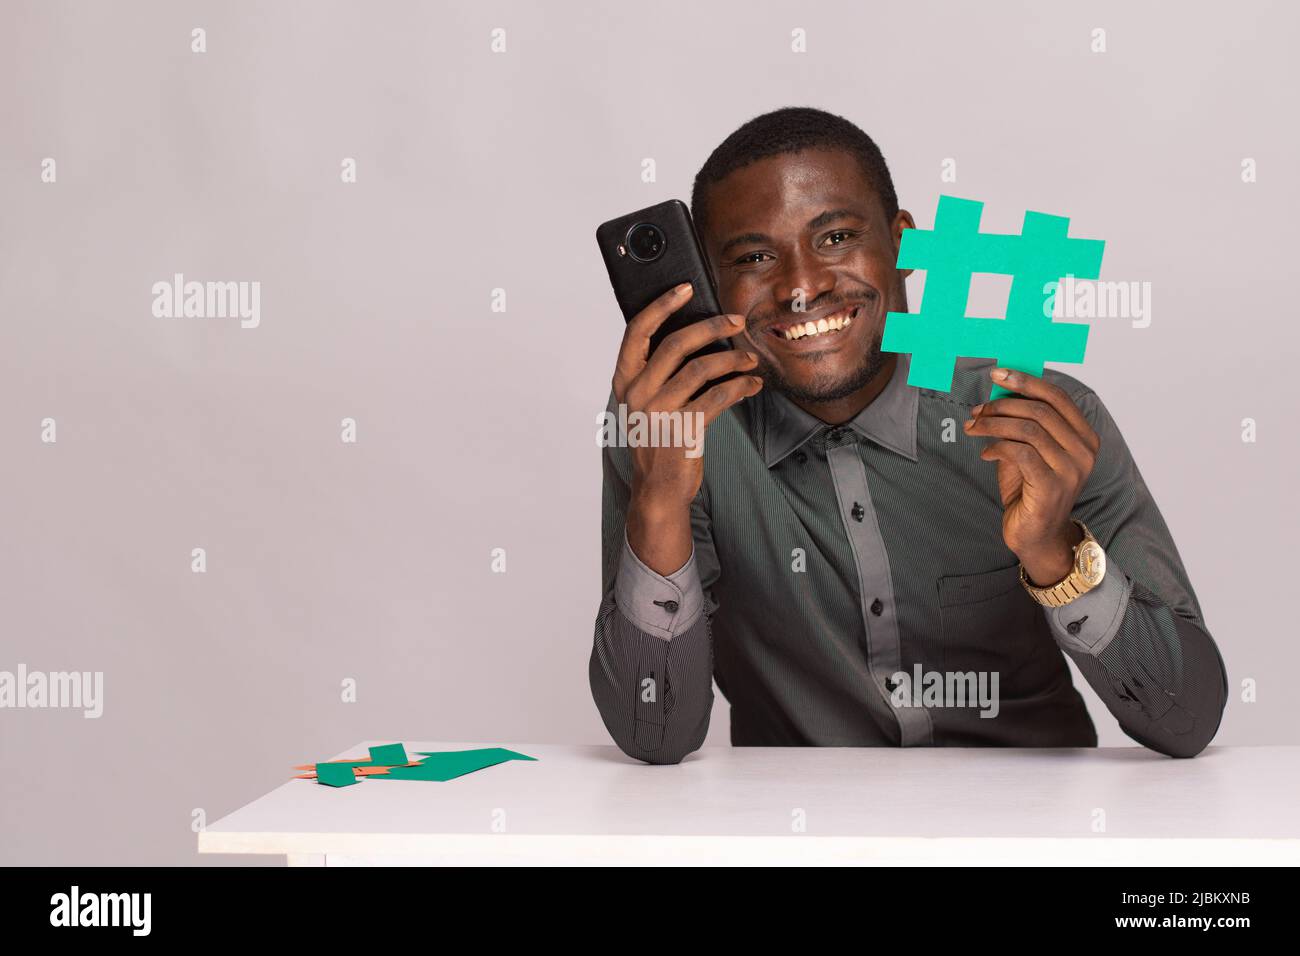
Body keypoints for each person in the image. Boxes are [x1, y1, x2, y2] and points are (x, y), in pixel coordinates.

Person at [590, 106, 1227, 762]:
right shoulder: (669, 433)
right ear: (711, 284)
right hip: (795, 832)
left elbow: (1189, 718)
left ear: (902, 245)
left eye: (834, 237)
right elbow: (654, 736)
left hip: (1037, 830)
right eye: (754, 256)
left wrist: (1054, 552)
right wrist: (658, 502)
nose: (801, 287)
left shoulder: (1041, 415)